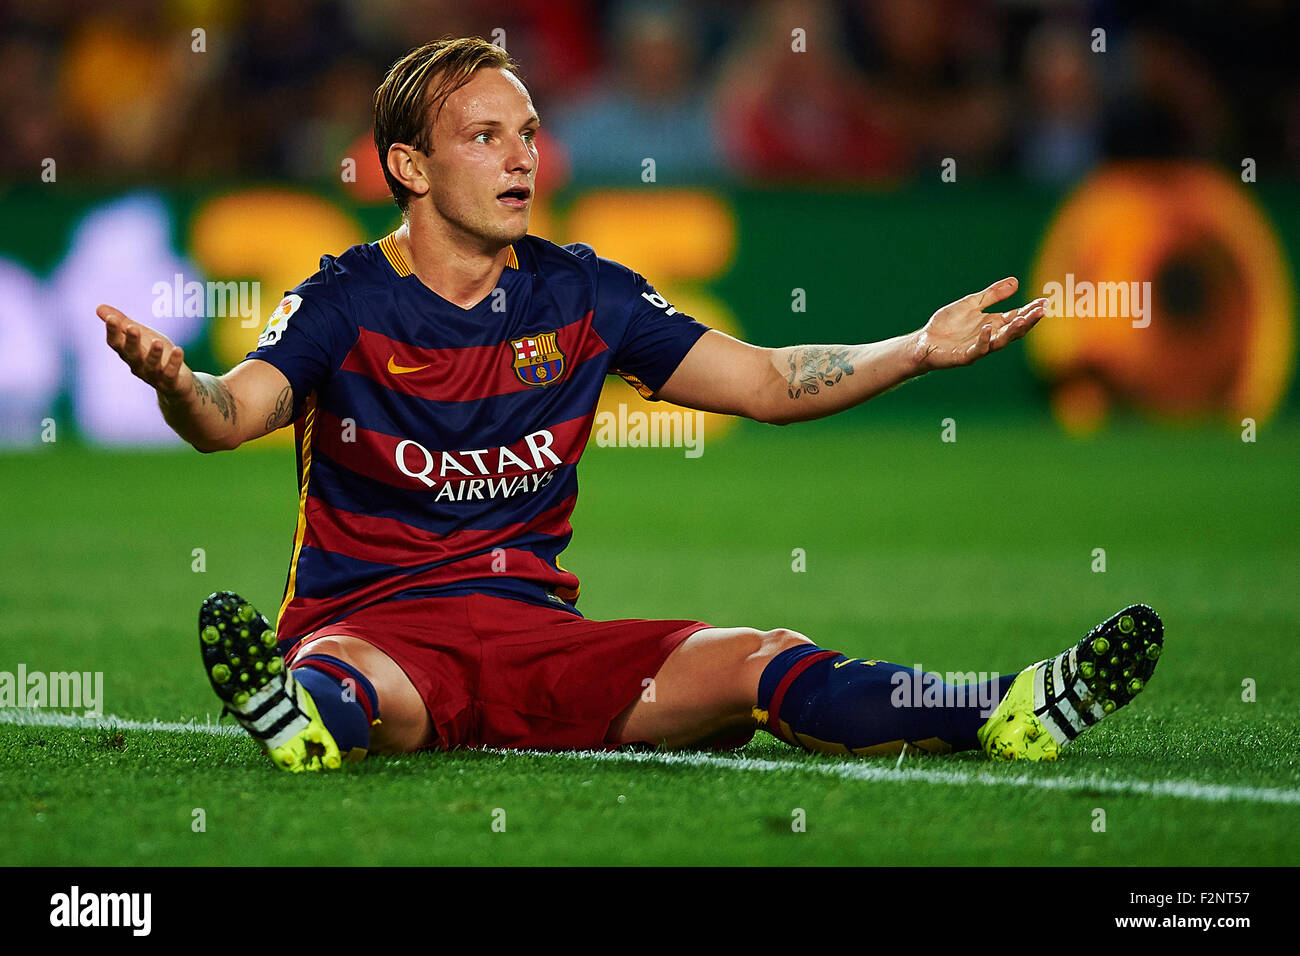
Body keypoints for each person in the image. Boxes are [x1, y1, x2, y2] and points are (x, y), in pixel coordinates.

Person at [97, 37, 1162, 772]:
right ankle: (299, 716)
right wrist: (180, 385)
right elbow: (232, 415)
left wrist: (918, 350)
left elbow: (765, 381)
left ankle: (1006, 710)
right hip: (375, 632)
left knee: (757, 655)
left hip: (539, 640)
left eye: (527, 130)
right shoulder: (341, 299)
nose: (522, 156)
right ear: (407, 167)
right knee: (350, 681)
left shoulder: (584, 291)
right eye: (485, 137)